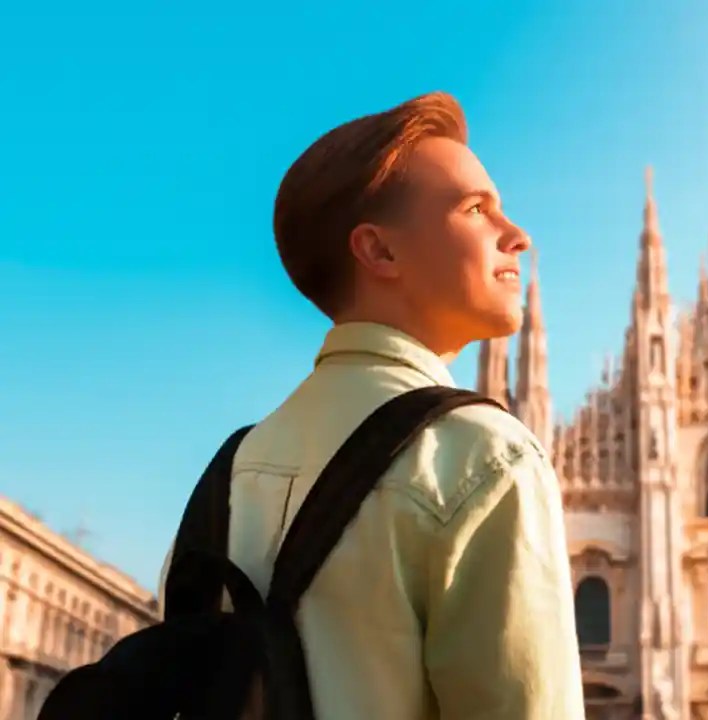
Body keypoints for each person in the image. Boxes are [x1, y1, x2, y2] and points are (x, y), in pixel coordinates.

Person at [158, 92, 585, 719]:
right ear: (379, 251)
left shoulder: (225, 477)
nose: (516, 235)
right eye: (476, 209)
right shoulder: (481, 458)